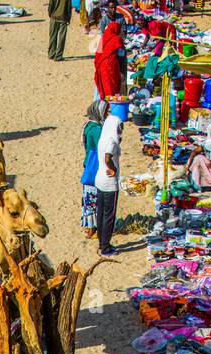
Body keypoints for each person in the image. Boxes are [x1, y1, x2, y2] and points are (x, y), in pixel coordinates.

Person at [94, 105, 124, 256]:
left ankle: (101, 243)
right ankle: (105, 247)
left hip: (99, 179)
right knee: (108, 216)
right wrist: (113, 168)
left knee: (101, 214)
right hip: (109, 183)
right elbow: (108, 157)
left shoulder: (103, 138)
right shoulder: (111, 141)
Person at [80, 101, 108, 238]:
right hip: (94, 166)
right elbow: (102, 146)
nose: (107, 114)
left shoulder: (88, 125)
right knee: (93, 197)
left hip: (88, 163)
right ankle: (91, 228)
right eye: (105, 112)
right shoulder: (97, 129)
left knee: (88, 197)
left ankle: (89, 225)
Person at [93, 20, 125, 100]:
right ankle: (111, 103)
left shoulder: (103, 38)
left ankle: (104, 102)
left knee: (105, 84)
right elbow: (121, 54)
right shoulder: (117, 39)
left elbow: (98, 54)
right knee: (112, 85)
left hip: (101, 64)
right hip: (111, 65)